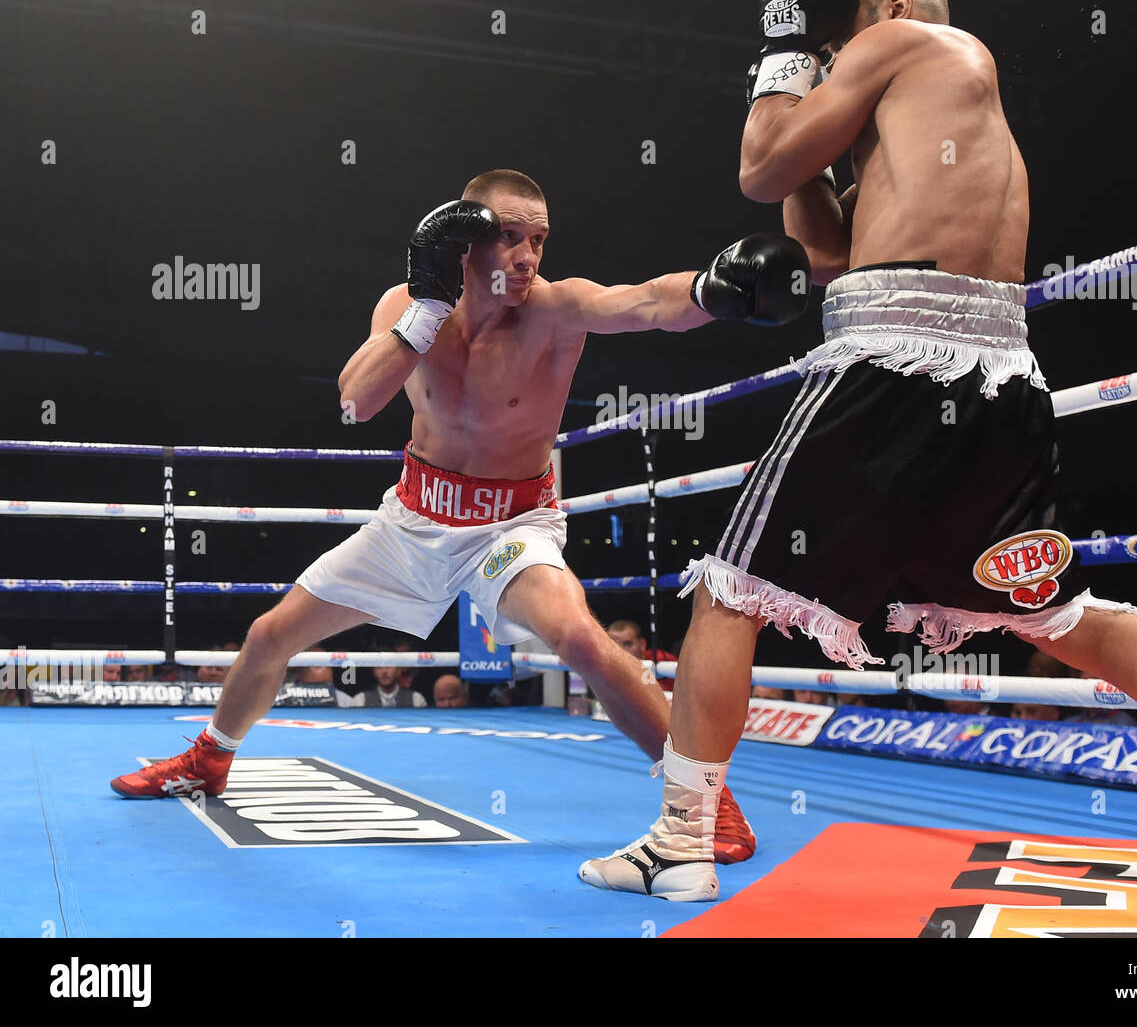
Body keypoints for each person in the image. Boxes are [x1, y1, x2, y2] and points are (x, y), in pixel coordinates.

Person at [579, 0, 1137, 902]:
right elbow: (826, 246)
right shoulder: (946, 103)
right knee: (1067, 618)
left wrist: (785, 51)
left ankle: (679, 838)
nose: (836, 57)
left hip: (896, 359)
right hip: (1000, 379)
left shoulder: (910, 38)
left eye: (844, 37)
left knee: (730, 592)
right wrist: (812, 148)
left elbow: (758, 168)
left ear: (893, 7)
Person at [110, 169, 809, 866]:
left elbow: (644, 302)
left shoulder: (555, 309)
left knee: (583, 641)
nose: (528, 256)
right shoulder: (408, 306)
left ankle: (706, 805)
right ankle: (209, 759)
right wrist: (427, 308)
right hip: (412, 518)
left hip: (511, 527)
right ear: (464, 240)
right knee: (269, 634)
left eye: (538, 239)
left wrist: (715, 290)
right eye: (509, 237)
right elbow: (356, 400)